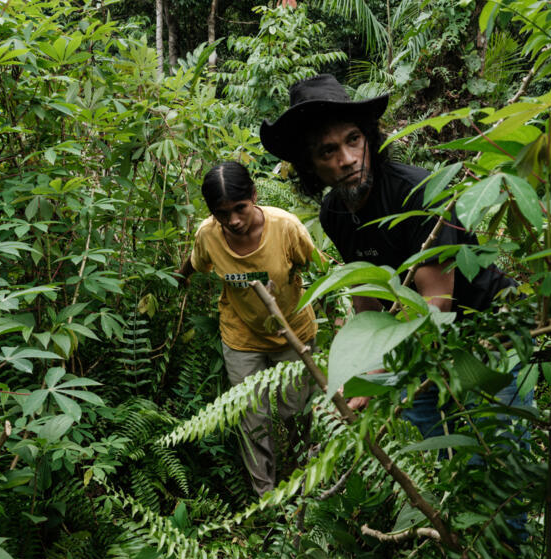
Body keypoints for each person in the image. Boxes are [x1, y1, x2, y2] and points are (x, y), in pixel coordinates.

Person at [260, 74, 527, 434]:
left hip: (485, 335)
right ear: (310, 167)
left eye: (353, 140)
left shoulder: (419, 191)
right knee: (440, 455)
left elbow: (437, 304)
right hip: (416, 352)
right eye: (328, 151)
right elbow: (368, 300)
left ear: (368, 138)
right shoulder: (334, 214)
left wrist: (377, 372)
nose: (348, 159)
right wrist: (355, 368)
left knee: (496, 457)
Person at [177, 161, 318, 496]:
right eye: (221, 213)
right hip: (242, 337)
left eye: (239, 208)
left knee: (298, 413)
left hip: (292, 332)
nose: (233, 221)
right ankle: (264, 498)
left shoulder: (285, 228)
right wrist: (178, 279)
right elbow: (195, 262)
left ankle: (306, 491)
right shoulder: (209, 234)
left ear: (254, 196)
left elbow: (322, 269)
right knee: (251, 418)